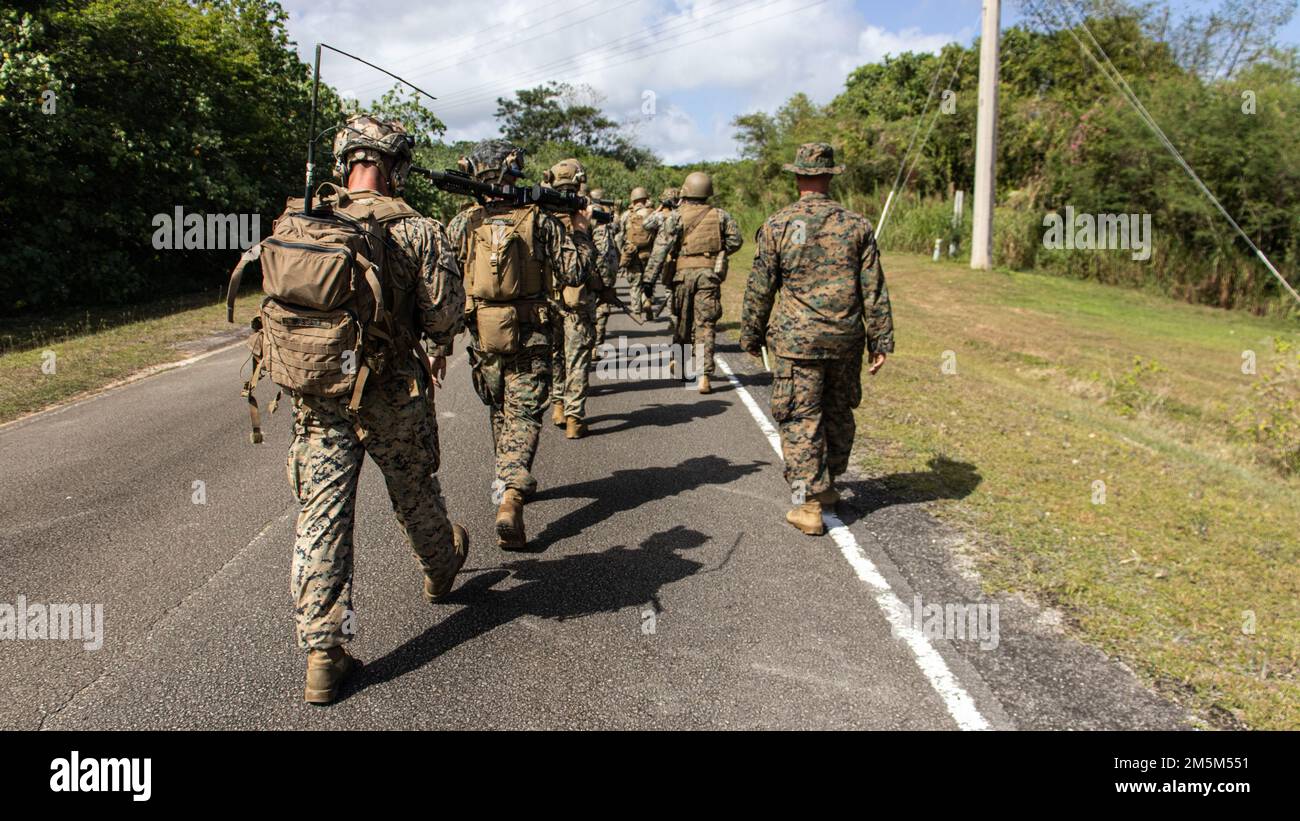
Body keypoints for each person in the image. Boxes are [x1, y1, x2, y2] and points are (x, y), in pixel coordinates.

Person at [284, 115, 468, 703]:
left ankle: (323, 653)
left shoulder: (308, 219)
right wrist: (432, 347)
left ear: (345, 162)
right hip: (390, 389)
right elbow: (443, 318)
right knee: (413, 489)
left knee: (322, 516)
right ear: (394, 167)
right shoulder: (421, 231)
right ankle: (440, 570)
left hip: (318, 391)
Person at [739, 143, 894, 536]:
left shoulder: (778, 225)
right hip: (845, 340)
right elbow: (873, 288)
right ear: (829, 176)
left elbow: (760, 287)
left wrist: (751, 334)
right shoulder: (857, 225)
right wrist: (881, 340)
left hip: (798, 342)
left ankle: (809, 503)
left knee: (800, 417)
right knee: (838, 411)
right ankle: (828, 485)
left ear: (797, 177)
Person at [445, 141, 590, 548]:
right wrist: (580, 230)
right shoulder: (540, 220)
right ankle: (511, 492)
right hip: (532, 332)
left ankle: (506, 478)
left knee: (498, 410)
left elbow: (445, 280)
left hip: (484, 336)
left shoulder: (463, 224)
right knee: (523, 414)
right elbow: (575, 271)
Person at [642, 172, 742, 394]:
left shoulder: (675, 216)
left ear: (685, 191)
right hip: (708, 275)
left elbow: (660, 250)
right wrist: (718, 252)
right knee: (705, 325)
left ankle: (679, 366)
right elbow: (736, 241)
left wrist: (648, 281)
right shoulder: (720, 215)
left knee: (682, 322)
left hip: (682, 275)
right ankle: (704, 376)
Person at [543, 160, 601, 439]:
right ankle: (574, 419)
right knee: (577, 358)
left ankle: (557, 405)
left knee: (555, 353)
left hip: (546, 298)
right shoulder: (585, 215)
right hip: (577, 299)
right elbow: (604, 257)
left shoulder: (538, 213)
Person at [589, 188, 621, 359]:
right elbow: (604, 252)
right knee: (600, 311)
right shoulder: (597, 216)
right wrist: (608, 284)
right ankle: (595, 347)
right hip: (593, 278)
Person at [618, 186, 658, 318]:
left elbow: (620, 236)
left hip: (632, 253)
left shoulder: (626, 216)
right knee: (648, 281)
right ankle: (647, 299)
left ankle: (637, 311)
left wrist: (622, 252)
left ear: (632, 199)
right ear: (646, 198)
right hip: (649, 253)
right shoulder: (652, 213)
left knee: (635, 283)